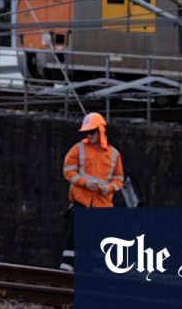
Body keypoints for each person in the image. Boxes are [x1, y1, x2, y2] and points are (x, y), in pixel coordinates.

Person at [59, 112, 124, 271]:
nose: (89, 135)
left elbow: (118, 179)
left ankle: (96, 269)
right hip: (82, 201)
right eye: (86, 132)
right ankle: (68, 266)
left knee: (99, 239)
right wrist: (85, 183)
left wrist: (107, 188)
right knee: (75, 236)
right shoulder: (78, 148)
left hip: (103, 205)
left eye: (92, 131)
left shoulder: (114, 154)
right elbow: (68, 171)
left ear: (101, 130)